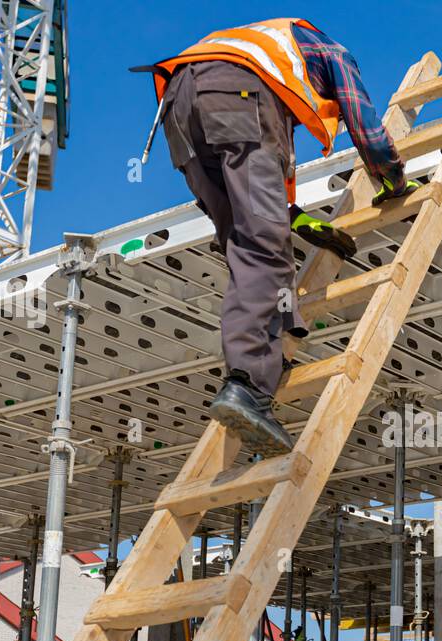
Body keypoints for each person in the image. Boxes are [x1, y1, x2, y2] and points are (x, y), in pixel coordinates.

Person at [141, 18, 420, 454]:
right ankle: (248, 386)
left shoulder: (267, 57)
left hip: (178, 108)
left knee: (246, 245)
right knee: (263, 251)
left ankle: (271, 340)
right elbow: (365, 127)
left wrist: (298, 221)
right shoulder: (332, 53)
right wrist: (393, 179)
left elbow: (253, 199)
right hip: (235, 96)